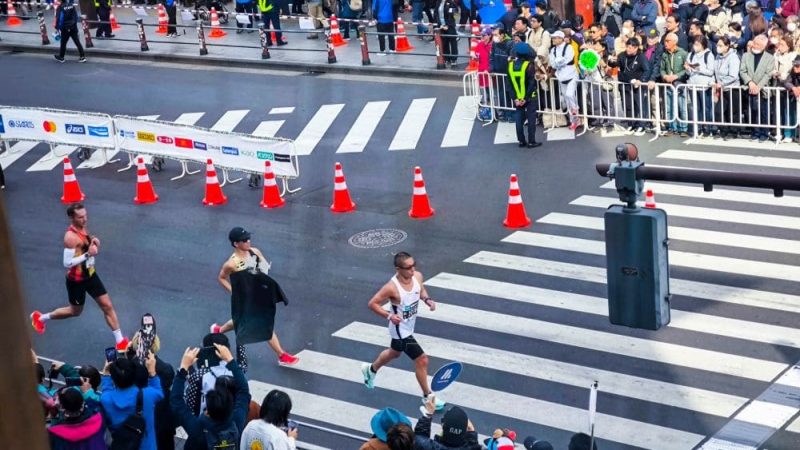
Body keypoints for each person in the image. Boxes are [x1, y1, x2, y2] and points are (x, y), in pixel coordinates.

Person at [31, 203, 128, 351]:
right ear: (72, 218)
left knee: (107, 305)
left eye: (86, 216)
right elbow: (67, 263)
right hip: (76, 281)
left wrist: (93, 240)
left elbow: (84, 243)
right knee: (75, 312)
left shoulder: (82, 227)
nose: (85, 219)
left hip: (90, 274)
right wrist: (89, 254)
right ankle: (41, 318)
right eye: (81, 217)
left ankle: (120, 341)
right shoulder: (69, 237)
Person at [360, 252, 445, 411]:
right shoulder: (391, 287)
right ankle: (428, 397)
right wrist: (389, 316)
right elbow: (373, 303)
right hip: (400, 330)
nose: (413, 270)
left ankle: (370, 369)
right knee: (422, 359)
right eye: (408, 268)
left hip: (409, 325)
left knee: (394, 352)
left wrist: (427, 300)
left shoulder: (417, 276)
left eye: (414, 265)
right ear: (398, 269)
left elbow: (421, 290)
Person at [211, 227, 299, 366]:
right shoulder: (232, 264)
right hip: (246, 299)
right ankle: (281, 355)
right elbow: (221, 277)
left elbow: (264, 269)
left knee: (241, 320)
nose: (248, 241)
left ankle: (219, 330)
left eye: (248, 238)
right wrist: (234, 291)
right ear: (236, 244)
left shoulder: (255, 251)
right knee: (264, 323)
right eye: (244, 240)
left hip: (260, 294)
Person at [171, 345, 251, 450]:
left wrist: (183, 369)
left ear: (207, 411)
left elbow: (176, 402)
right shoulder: (237, 422)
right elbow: (244, 390)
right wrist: (230, 360)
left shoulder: (197, 429)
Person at [101, 353, 164, 450]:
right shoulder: (147, 395)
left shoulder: (106, 400)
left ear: (113, 379)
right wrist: (152, 371)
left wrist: (105, 376)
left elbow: (106, 390)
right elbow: (159, 392)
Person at [740, 34, 776, 141]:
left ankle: (764, 133)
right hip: (750, 87)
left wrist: (758, 86)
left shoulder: (769, 58)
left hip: (762, 89)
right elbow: (742, 71)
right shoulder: (746, 55)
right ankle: (755, 132)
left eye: (757, 44)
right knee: (753, 111)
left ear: (763, 46)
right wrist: (750, 82)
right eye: (754, 43)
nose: (754, 45)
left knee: (764, 112)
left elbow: (768, 74)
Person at [508, 43, 542, 147]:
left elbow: (509, 84)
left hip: (517, 97)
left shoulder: (510, 65)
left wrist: (515, 98)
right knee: (531, 118)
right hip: (530, 96)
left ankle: (521, 140)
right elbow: (531, 83)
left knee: (518, 118)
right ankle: (531, 141)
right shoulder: (529, 65)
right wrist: (526, 98)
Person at [413, 399, 481, 449]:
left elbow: (419, 438)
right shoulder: (473, 447)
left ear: (443, 425)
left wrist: (428, 415)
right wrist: (472, 434)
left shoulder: (431, 447)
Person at [549, 30, 580, 129]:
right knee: (566, 100)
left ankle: (575, 108)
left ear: (561, 38)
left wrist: (559, 62)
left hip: (572, 75)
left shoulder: (569, 47)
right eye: (553, 38)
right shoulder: (553, 50)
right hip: (561, 76)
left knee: (570, 94)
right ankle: (574, 121)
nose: (553, 40)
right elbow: (553, 63)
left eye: (555, 38)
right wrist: (558, 62)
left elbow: (568, 59)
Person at [713, 36, 742, 138]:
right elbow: (715, 71)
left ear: (727, 46)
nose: (718, 47)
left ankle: (733, 131)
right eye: (717, 45)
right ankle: (723, 130)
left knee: (733, 111)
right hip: (721, 88)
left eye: (721, 45)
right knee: (718, 111)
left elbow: (733, 75)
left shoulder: (733, 57)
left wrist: (722, 82)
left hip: (732, 88)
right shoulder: (717, 57)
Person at [660, 32, 689, 136]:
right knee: (669, 107)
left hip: (680, 84)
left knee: (682, 107)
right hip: (668, 84)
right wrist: (664, 76)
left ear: (675, 42)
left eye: (668, 41)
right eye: (665, 41)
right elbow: (662, 69)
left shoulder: (683, 53)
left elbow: (687, 69)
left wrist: (676, 76)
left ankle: (683, 128)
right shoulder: (664, 54)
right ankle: (672, 127)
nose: (665, 43)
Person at [685, 35, 715, 136]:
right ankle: (698, 127)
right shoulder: (690, 55)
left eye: (697, 45)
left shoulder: (709, 55)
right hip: (692, 85)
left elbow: (710, 72)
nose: (695, 46)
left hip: (704, 86)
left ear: (703, 45)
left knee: (706, 108)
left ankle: (707, 127)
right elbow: (688, 72)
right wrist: (688, 68)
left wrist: (699, 69)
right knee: (696, 107)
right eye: (694, 44)